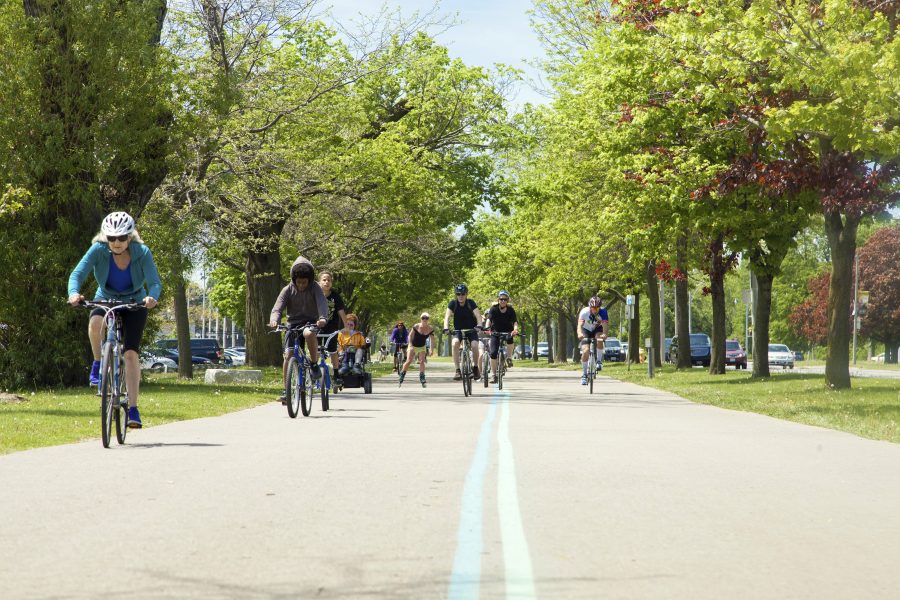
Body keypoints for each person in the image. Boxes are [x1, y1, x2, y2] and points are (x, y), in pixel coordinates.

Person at [67, 212, 162, 429]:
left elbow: (154, 282)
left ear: (130, 236)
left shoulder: (142, 252)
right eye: (111, 238)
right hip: (105, 298)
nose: (116, 242)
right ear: (105, 237)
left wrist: (152, 297)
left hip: (135, 302)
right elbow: (77, 274)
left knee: (130, 354)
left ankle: (133, 408)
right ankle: (98, 363)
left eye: (121, 238)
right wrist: (74, 293)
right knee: (95, 324)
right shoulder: (98, 250)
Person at [269, 256, 328, 403]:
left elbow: (322, 303)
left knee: (308, 333)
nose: (301, 285)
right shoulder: (287, 289)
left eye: (304, 282)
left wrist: (322, 318)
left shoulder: (315, 288)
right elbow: (277, 308)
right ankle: (287, 390)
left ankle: (313, 363)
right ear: (294, 279)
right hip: (293, 324)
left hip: (309, 322)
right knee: (288, 355)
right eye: (299, 282)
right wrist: (274, 320)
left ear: (309, 280)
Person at [443, 283, 483, 381]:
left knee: (474, 345)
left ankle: (475, 368)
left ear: (466, 294)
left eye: (463, 294)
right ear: (456, 295)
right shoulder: (453, 303)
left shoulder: (471, 303)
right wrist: (446, 328)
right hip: (458, 330)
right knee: (455, 343)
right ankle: (457, 370)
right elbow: (447, 317)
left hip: (471, 330)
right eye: (458, 294)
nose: (460, 296)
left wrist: (479, 325)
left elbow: (478, 316)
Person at [483, 290, 519, 384]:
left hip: (508, 331)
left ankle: (509, 358)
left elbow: (515, 322)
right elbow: (489, 320)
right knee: (493, 353)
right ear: (498, 300)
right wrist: (487, 328)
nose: (503, 301)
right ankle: (494, 375)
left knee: (510, 339)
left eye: (505, 299)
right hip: (496, 332)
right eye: (501, 299)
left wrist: (515, 330)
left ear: (507, 300)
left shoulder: (511, 310)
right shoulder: (493, 309)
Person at [318, 271, 347, 380]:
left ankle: (336, 374)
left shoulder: (335, 296)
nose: (327, 282)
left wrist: (346, 326)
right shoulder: (315, 294)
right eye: (324, 280)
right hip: (316, 327)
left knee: (333, 351)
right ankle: (313, 371)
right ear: (319, 282)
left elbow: (341, 311)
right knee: (315, 350)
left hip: (331, 327)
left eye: (329, 280)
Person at [577, 295, 609, 385]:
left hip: (597, 329)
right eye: (593, 308)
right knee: (585, 351)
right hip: (586, 330)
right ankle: (584, 375)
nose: (595, 310)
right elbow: (579, 326)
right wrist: (579, 333)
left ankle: (599, 361)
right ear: (590, 307)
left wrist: (605, 334)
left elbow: (605, 325)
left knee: (599, 339)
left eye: (597, 308)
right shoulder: (584, 312)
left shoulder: (603, 311)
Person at [399, 312, 436, 387]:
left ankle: (422, 377)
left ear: (428, 319)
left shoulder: (430, 329)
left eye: (426, 318)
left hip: (422, 346)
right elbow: (410, 335)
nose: (424, 319)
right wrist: (410, 345)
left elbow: (432, 340)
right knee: (409, 360)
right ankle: (402, 374)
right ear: (421, 319)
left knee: (422, 361)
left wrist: (431, 349)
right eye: (423, 318)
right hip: (413, 345)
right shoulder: (416, 326)